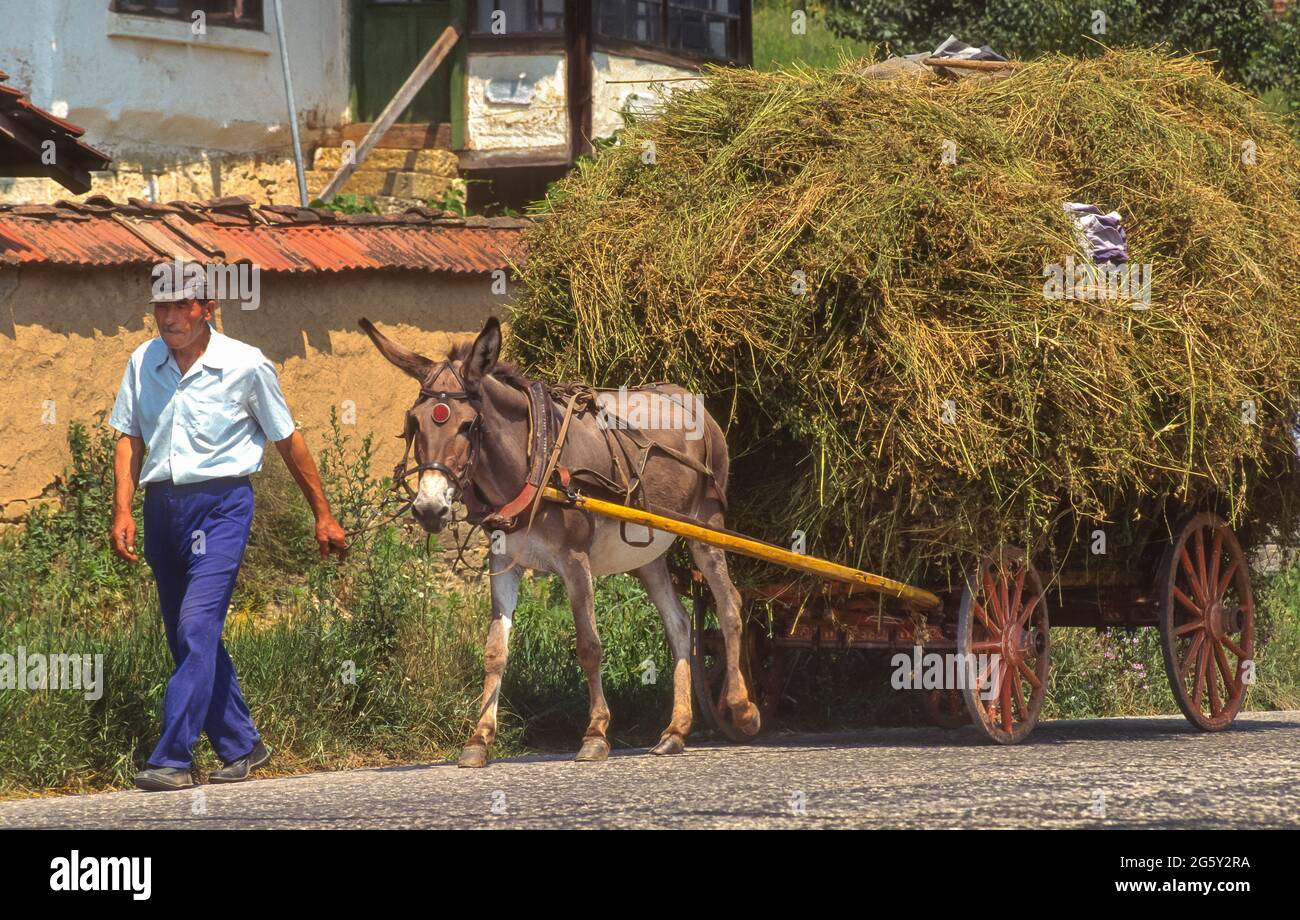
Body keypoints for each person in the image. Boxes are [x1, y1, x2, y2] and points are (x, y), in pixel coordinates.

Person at [108, 272, 347, 791]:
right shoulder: (143, 362)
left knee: (196, 628)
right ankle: (243, 744)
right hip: (161, 509)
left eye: (182, 307)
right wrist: (122, 509)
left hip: (220, 508)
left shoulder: (245, 364)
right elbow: (129, 439)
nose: (169, 318)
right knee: (185, 636)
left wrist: (322, 514)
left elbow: (288, 440)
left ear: (207, 308)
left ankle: (171, 757)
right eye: (161, 308)